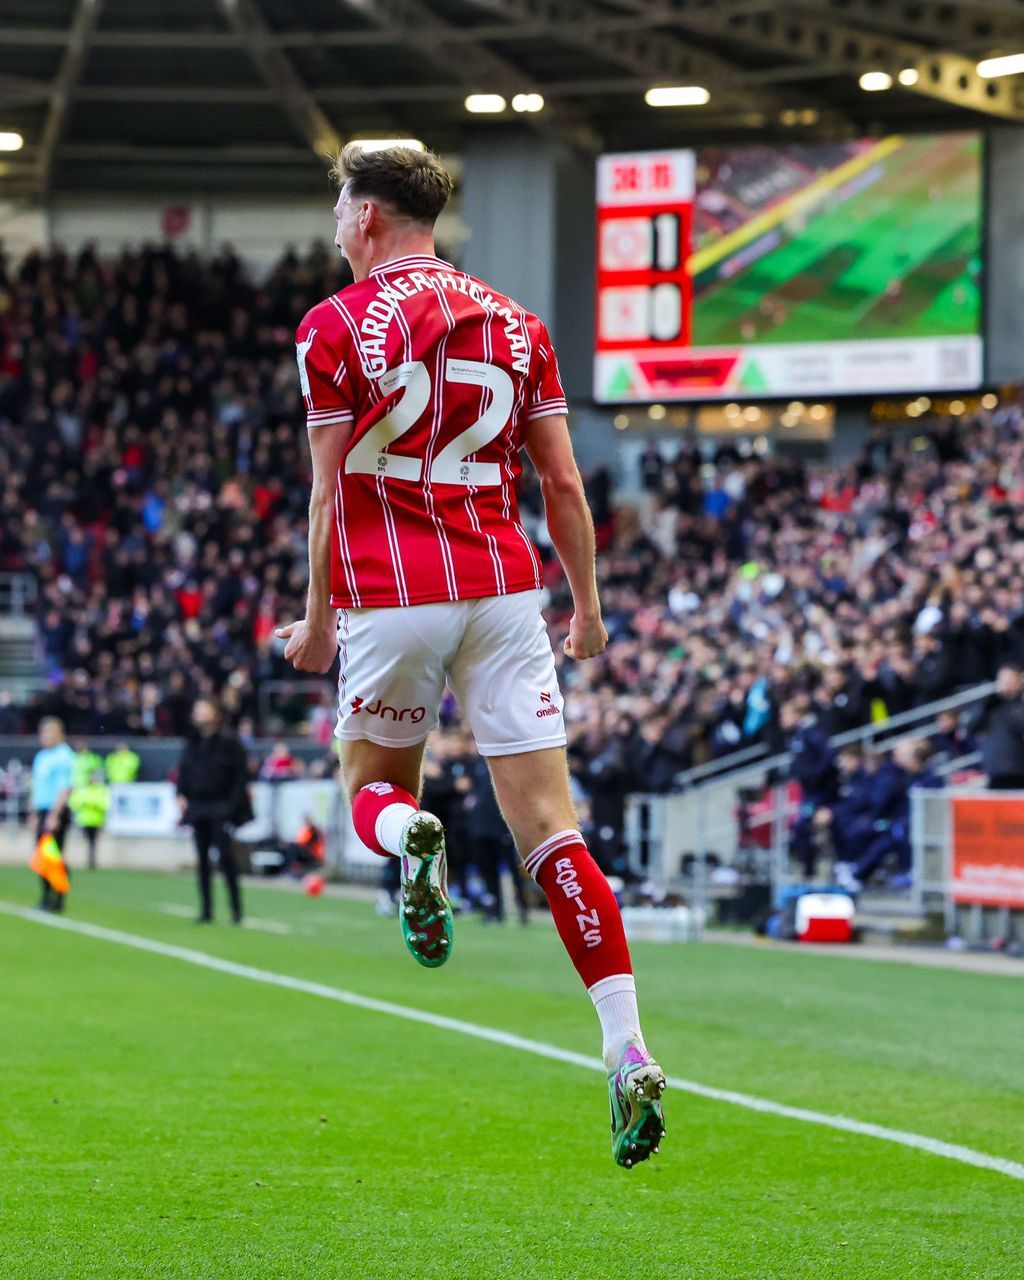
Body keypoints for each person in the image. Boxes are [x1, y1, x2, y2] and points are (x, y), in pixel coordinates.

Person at [275, 143, 664, 1167]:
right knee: (552, 833)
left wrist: (316, 621)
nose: (333, 223)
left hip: (391, 590)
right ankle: (625, 1044)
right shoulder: (517, 323)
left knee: (368, 788)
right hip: (501, 586)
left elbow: (324, 495)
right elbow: (566, 486)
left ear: (367, 217)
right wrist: (586, 608)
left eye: (338, 204)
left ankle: (410, 837)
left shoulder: (329, 327)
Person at [176, 699, 251, 924]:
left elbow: (240, 777)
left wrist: (232, 808)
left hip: (221, 806)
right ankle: (206, 910)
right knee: (202, 860)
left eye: (203, 709)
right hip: (198, 806)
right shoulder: (193, 741)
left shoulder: (229, 741)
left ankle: (236, 910)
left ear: (215, 714)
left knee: (226, 858)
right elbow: (185, 770)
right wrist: (182, 794)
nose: (198, 714)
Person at [30, 717, 75, 912]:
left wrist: (55, 814)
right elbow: (37, 786)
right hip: (41, 809)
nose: (46, 737)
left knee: (54, 856)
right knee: (43, 856)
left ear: (60, 734)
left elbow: (65, 788)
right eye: (44, 732)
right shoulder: (41, 756)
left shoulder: (64, 755)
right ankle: (46, 897)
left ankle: (58, 898)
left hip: (55, 810)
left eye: (51, 733)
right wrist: (33, 812)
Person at [969, 664, 1024, 789]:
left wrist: (1012, 701)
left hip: (1018, 773)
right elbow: (971, 728)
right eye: (1002, 681)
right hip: (994, 772)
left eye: (1010, 681)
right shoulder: (990, 707)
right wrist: (985, 704)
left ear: (1019, 683)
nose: (1006, 685)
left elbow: (1019, 723)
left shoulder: (1019, 707)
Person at [68, 768, 111, 870]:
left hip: (96, 820)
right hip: (85, 820)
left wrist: (91, 804)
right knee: (88, 841)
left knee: (93, 841)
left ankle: (92, 861)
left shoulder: (101, 789)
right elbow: (74, 803)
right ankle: (88, 861)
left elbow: (105, 804)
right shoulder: (83, 789)